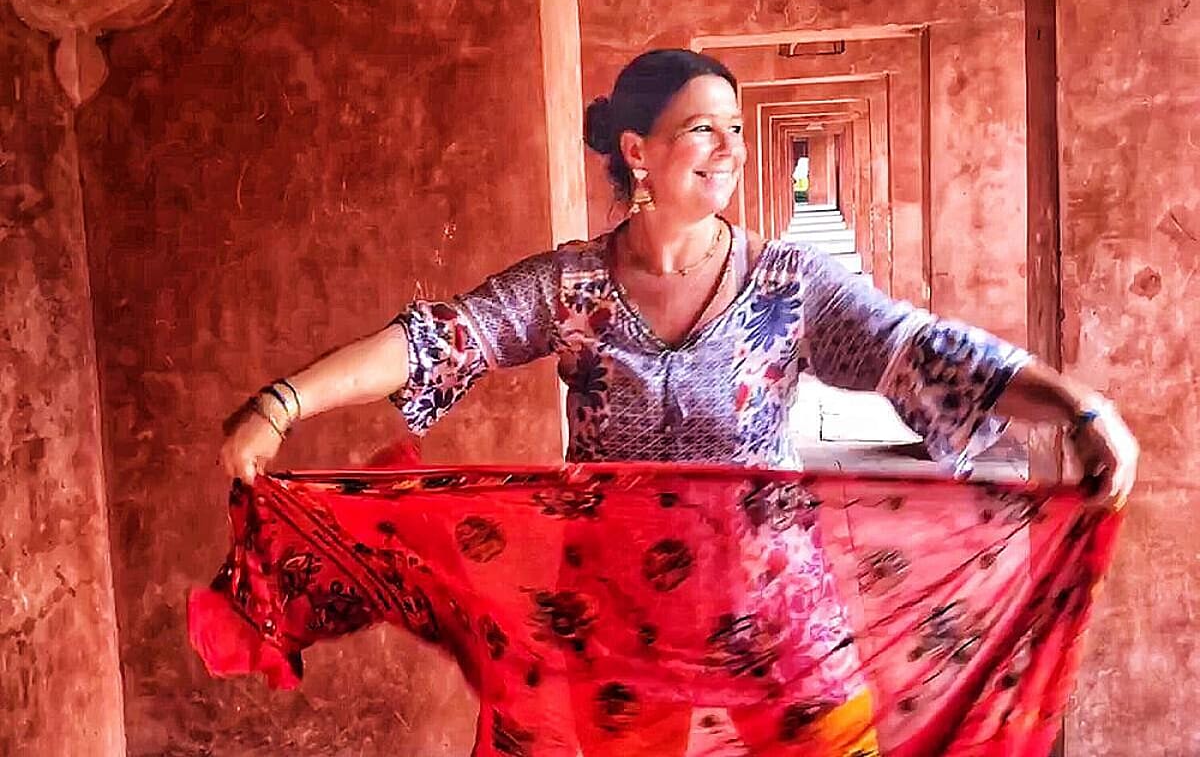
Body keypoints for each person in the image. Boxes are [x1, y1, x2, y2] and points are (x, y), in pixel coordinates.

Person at [217, 49, 1138, 754]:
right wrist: (282, 402)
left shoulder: (788, 284)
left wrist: (1076, 407)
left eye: (735, 128)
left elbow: (916, 345)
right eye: (704, 128)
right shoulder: (569, 287)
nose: (732, 149)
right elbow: (437, 337)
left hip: (773, 602)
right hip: (614, 621)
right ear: (638, 151)